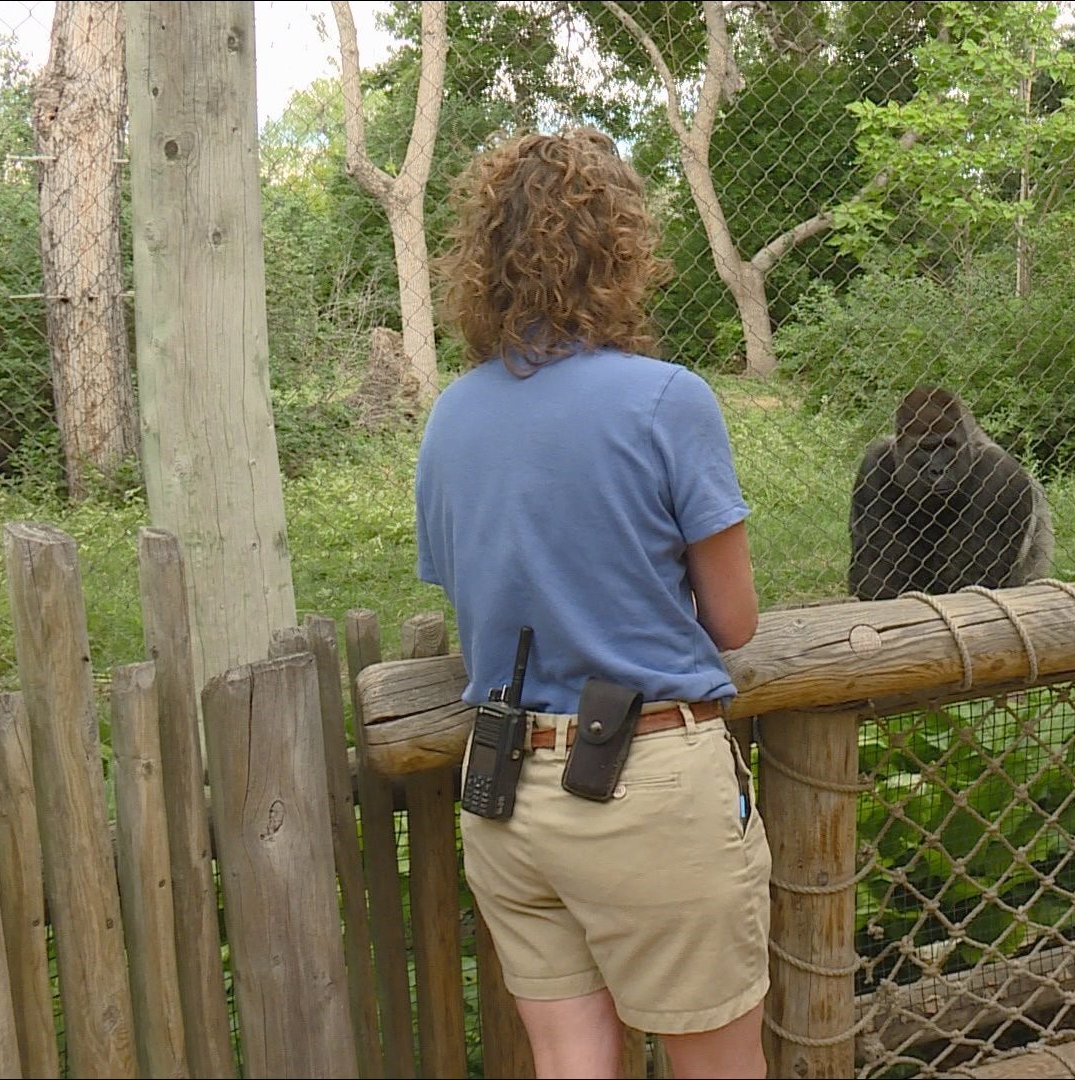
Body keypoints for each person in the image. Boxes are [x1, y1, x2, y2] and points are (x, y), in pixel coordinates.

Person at [414, 126, 768, 1080]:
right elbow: (733, 623)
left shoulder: (452, 414)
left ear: (482, 259)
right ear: (622, 248)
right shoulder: (667, 401)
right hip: (646, 785)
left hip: (507, 796)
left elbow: (480, 594)